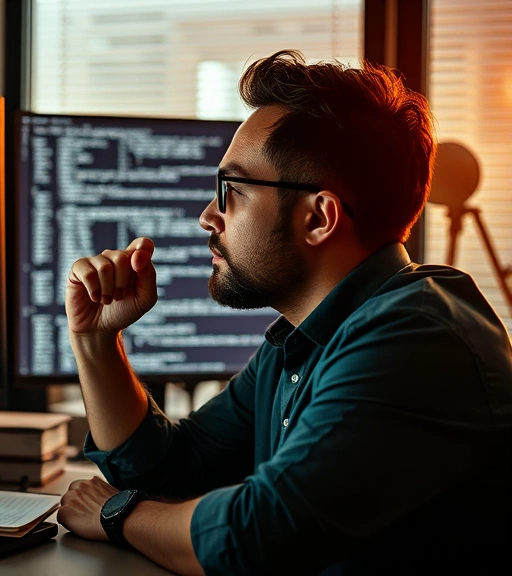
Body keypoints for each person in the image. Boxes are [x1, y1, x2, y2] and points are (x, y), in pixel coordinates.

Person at [55, 50, 512, 575]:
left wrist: (117, 514)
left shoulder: (417, 337)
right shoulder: (306, 339)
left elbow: (255, 536)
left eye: (232, 190)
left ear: (319, 217)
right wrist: (96, 341)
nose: (208, 216)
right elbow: (171, 473)